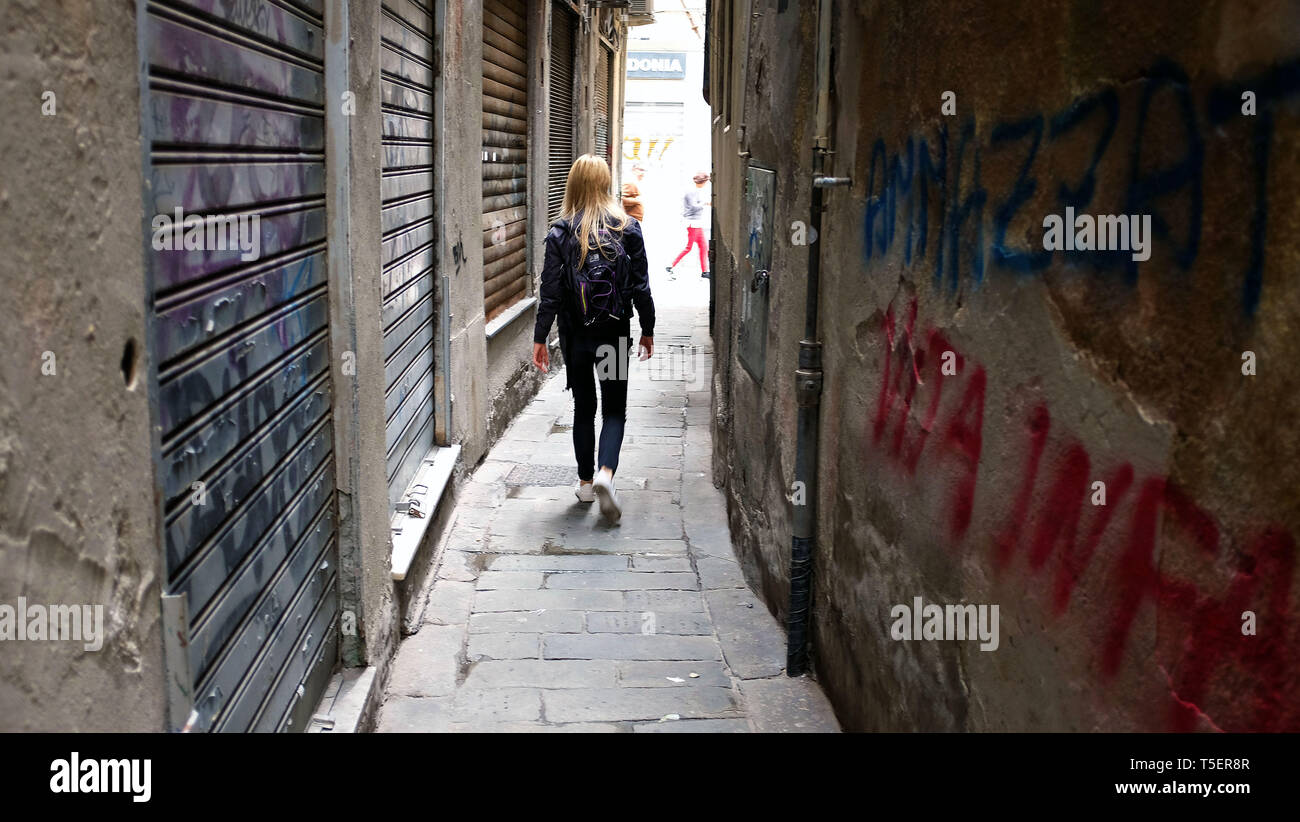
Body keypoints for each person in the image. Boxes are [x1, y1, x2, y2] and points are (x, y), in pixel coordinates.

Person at [533, 155, 656, 522]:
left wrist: (541, 337)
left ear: (572, 185)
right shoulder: (628, 228)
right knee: (614, 409)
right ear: (606, 184)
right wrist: (647, 329)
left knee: (583, 407)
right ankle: (606, 473)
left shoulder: (560, 232)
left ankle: (586, 484)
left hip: (575, 337)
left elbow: (550, 292)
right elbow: (641, 286)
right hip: (613, 335)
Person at [666, 171, 711, 280]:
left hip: (696, 223)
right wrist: (705, 203)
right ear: (702, 182)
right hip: (692, 223)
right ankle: (670, 265)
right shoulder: (691, 191)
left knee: (703, 247)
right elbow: (693, 206)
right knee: (689, 247)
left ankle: (704, 271)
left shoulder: (695, 190)